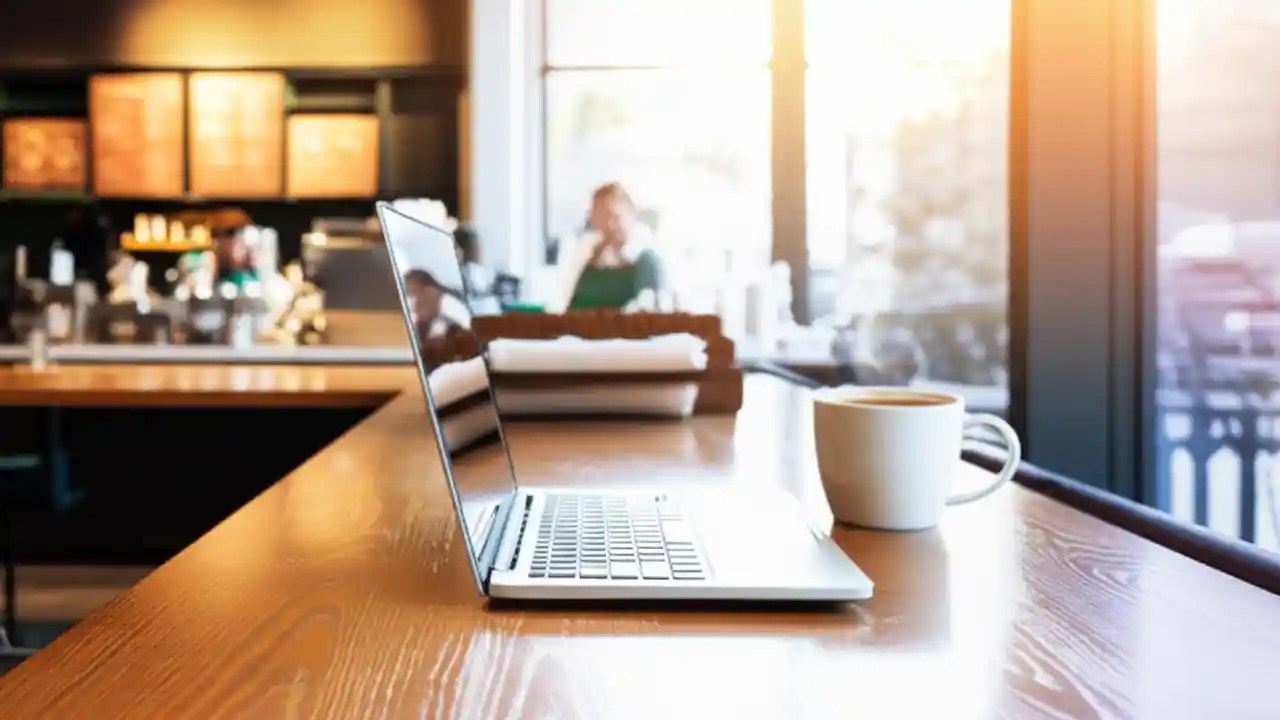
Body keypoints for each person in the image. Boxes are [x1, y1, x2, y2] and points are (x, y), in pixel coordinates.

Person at [549, 182, 667, 312]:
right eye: (601, 218)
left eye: (615, 217)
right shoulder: (584, 257)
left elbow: (645, 308)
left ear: (631, 214)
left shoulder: (645, 260)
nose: (609, 225)